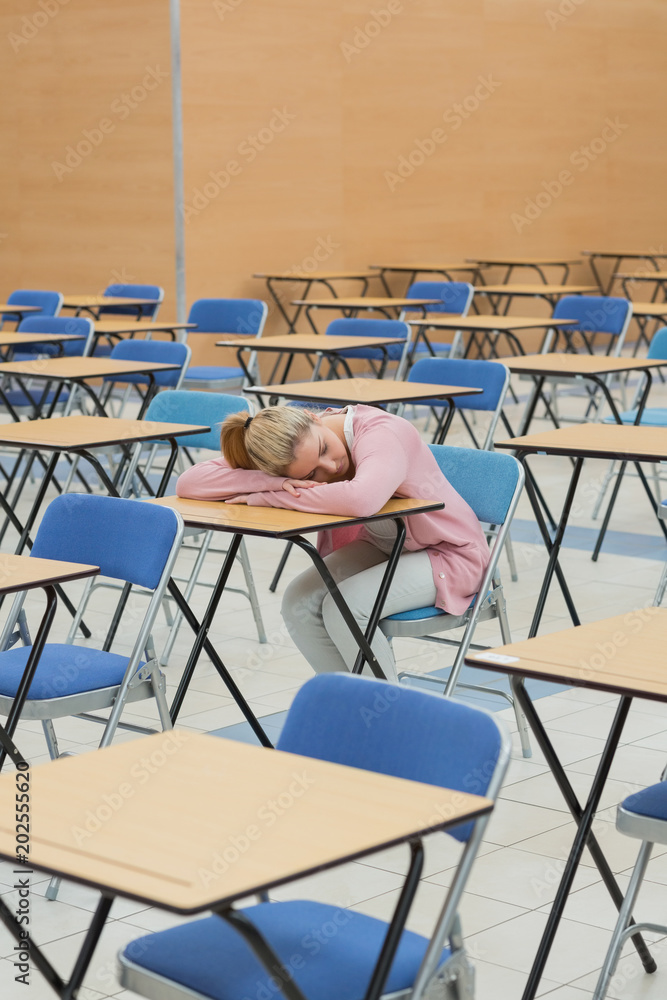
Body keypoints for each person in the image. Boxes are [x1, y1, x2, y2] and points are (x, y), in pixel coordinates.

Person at [176, 404, 490, 682]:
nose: (330, 467)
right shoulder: (285, 446)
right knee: (298, 601)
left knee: (346, 607)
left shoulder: (382, 433)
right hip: (386, 549)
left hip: (450, 554)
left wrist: (272, 497)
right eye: (311, 472)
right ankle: (352, 704)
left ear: (314, 418)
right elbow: (190, 483)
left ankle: (390, 718)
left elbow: (361, 499)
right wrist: (272, 481)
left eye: (324, 448)